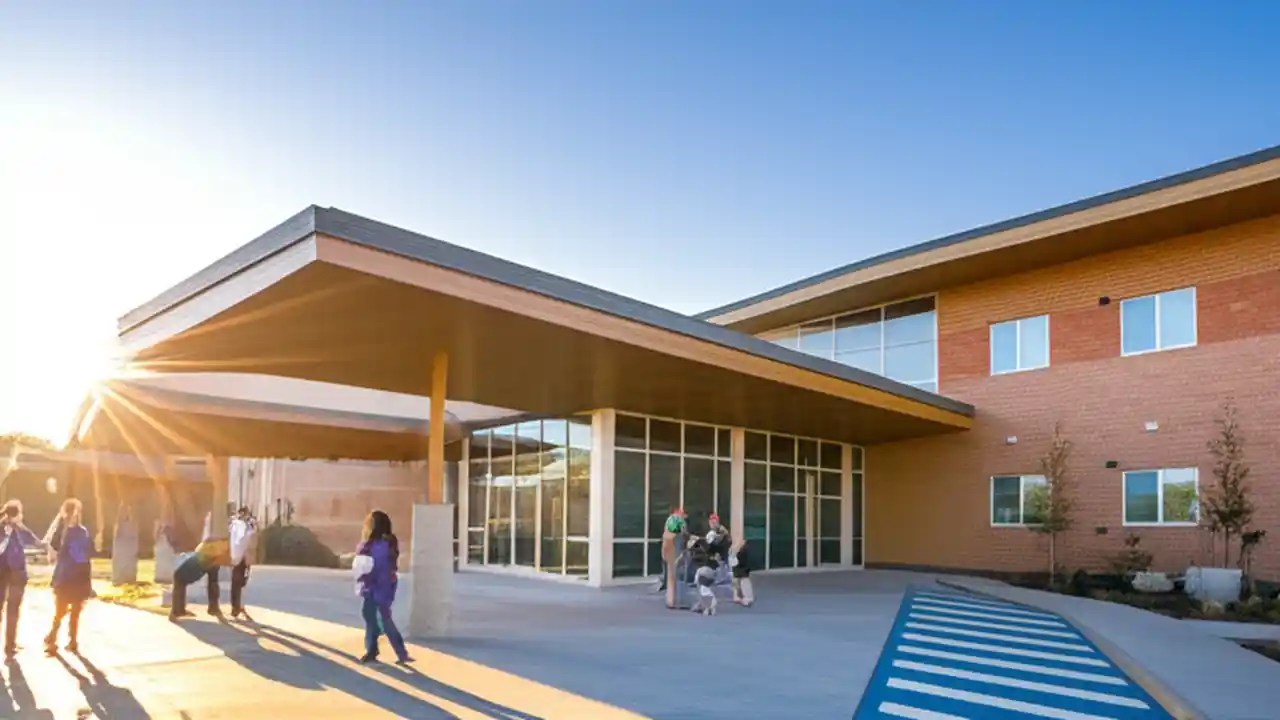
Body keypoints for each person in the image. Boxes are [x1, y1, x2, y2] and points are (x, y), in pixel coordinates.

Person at [355, 510, 412, 665]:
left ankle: (377, 651)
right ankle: (379, 651)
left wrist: (364, 577)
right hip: (384, 585)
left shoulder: (377, 545)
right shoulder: (388, 542)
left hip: (377, 586)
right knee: (374, 617)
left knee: (378, 619)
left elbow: (374, 567)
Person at [44, 498, 93, 654]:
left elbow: (52, 552)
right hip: (74, 575)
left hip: (69, 575)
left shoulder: (68, 531)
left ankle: (58, 640)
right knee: (69, 611)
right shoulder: (76, 531)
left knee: (65, 610)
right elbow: (84, 554)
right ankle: (64, 640)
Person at [0, 499, 46, 657]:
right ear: (14, 515)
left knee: (13, 610)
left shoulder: (20, 530)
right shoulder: (3, 529)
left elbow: (35, 541)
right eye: (20, 513)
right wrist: (6, 534)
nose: (22, 516)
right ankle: (9, 646)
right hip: (3, 574)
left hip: (17, 576)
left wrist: (45, 545)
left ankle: (10, 645)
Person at [170, 512, 223, 620]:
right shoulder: (219, 522)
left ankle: (177, 611)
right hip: (210, 555)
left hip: (203, 557)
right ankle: (213, 608)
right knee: (213, 580)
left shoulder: (211, 519)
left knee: (179, 581)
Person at [228, 507, 258, 620]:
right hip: (239, 558)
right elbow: (243, 539)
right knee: (237, 583)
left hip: (243, 558)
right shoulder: (237, 525)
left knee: (240, 582)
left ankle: (238, 606)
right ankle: (236, 607)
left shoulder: (241, 525)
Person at [659, 507, 687, 609]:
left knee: (670, 576)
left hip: (669, 549)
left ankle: (671, 600)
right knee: (674, 576)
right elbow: (680, 534)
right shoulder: (676, 521)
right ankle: (675, 600)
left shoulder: (669, 523)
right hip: (674, 550)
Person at [689, 537, 719, 616]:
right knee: (703, 589)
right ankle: (704, 606)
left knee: (702, 590)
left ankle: (705, 607)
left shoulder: (696, 552)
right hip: (709, 571)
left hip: (703, 571)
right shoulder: (706, 551)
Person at [731, 538, 754, 607]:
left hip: (742, 569)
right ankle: (740, 597)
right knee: (738, 583)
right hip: (740, 569)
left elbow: (741, 560)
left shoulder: (744, 550)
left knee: (743, 583)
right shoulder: (743, 550)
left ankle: (747, 598)